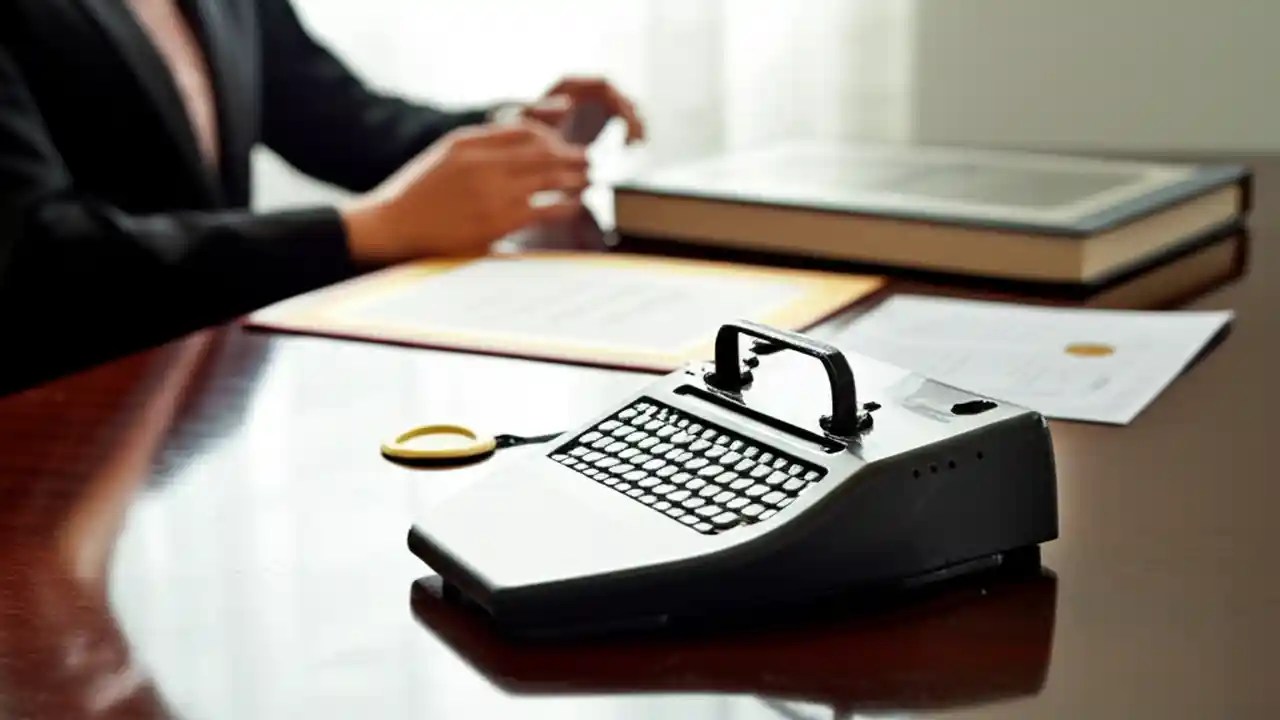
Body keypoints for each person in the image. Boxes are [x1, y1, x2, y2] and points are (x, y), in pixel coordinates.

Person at [0, 0, 645, 393]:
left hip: (189, 390)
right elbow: (37, 255)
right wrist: (364, 230)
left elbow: (334, 117)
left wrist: (512, 130)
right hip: (48, 411)